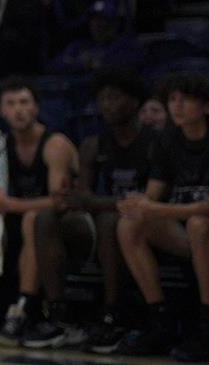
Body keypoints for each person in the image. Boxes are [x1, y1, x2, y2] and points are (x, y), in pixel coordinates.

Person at [111, 73, 209, 358]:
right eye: (172, 99)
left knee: (199, 224)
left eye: (185, 99)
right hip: (181, 232)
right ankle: (160, 320)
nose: (176, 106)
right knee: (129, 224)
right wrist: (137, 204)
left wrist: (155, 208)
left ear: (207, 107)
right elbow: (153, 195)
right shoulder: (167, 140)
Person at [0, 79, 87, 348]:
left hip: (76, 224)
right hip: (30, 227)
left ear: (36, 108)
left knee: (33, 218)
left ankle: (23, 307)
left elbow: (59, 203)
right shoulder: (0, 146)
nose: (19, 110)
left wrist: (10, 205)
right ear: (2, 111)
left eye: (24, 102)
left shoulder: (55, 144)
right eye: (11, 104)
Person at [65, 69, 157, 352]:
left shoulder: (155, 141)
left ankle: (114, 311)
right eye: (102, 98)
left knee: (110, 220)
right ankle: (61, 314)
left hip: (149, 221)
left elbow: (154, 197)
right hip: (110, 221)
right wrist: (116, 204)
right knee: (97, 219)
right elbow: (81, 197)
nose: (106, 105)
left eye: (114, 98)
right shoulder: (93, 144)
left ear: (135, 101)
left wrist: (105, 204)